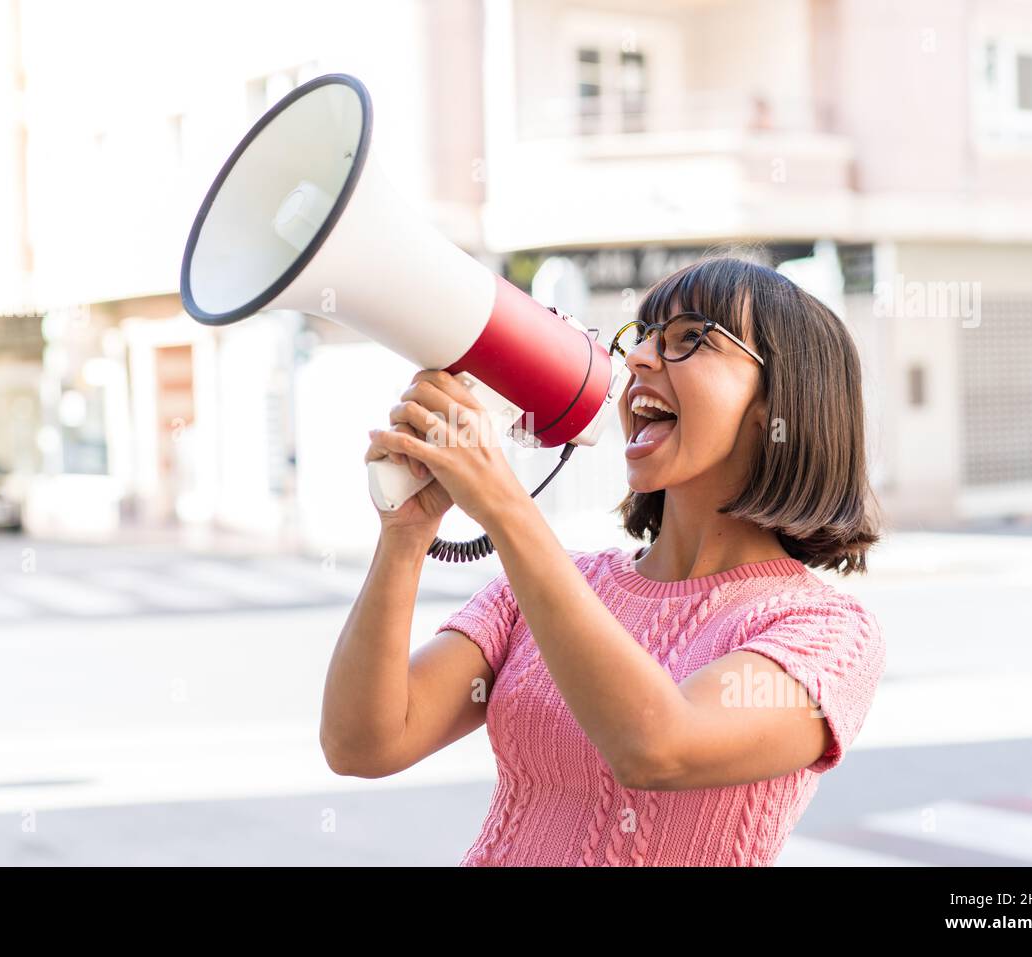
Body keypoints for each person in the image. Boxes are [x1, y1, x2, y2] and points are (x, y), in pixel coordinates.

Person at [321, 253, 887, 866]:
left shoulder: (827, 634)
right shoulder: (545, 587)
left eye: (689, 340)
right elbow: (363, 743)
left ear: (778, 404)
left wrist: (505, 508)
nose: (639, 358)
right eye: (641, 338)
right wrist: (406, 536)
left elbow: (657, 747)